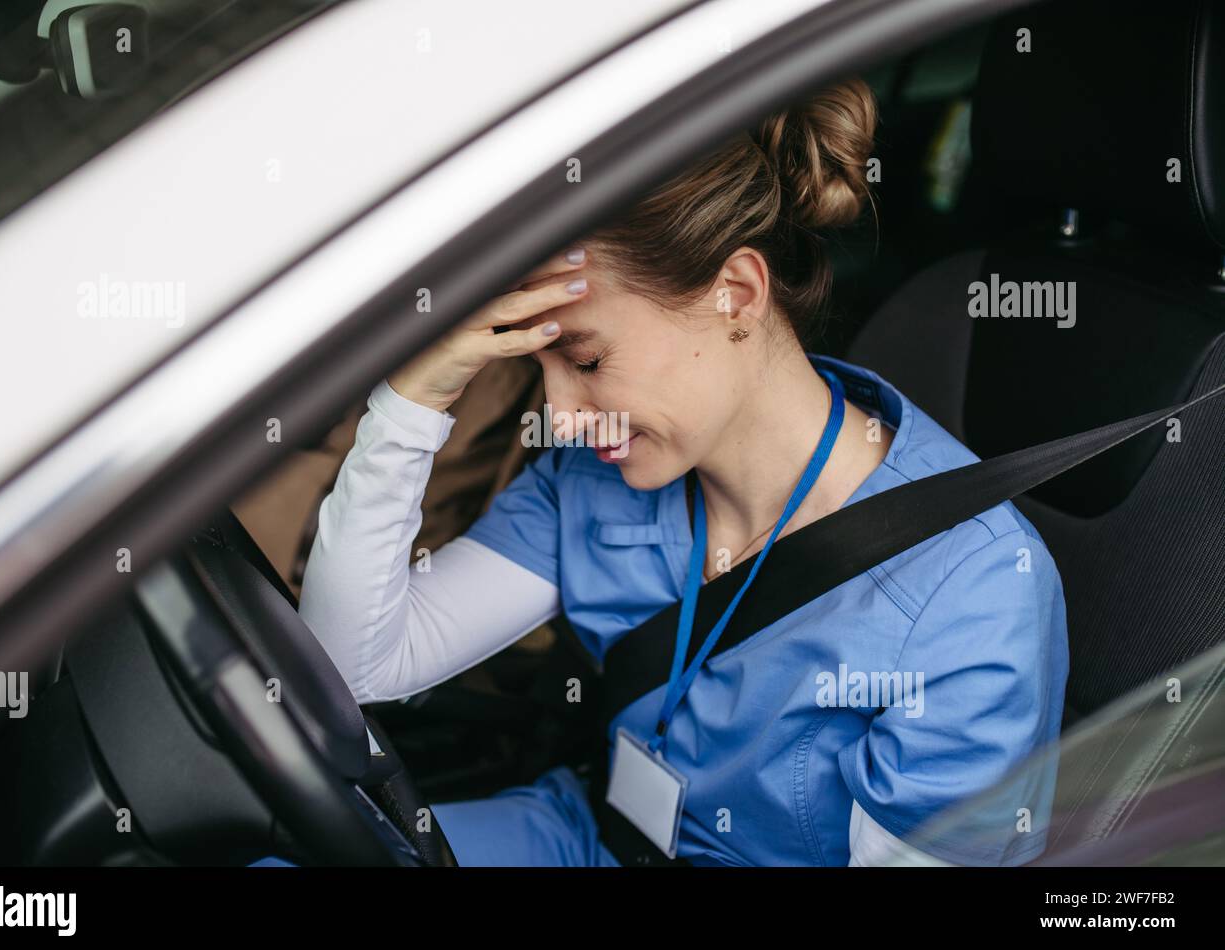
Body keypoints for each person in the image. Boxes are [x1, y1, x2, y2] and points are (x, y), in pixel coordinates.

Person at [297, 78, 1069, 867]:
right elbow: (354, 664)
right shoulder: (592, 483)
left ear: (735, 295)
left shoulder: (969, 596)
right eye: (544, 371)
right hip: (589, 837)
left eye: (588, 359)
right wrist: (410, 400)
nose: (562, 418)